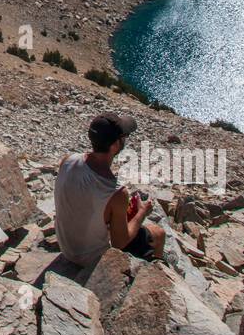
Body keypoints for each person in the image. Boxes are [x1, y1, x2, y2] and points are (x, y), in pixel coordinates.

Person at [54, 113, 164, 267]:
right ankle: (154, 271)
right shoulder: (115, 192)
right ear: (115, 145)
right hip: (92, 260)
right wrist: (141, 213)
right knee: (158, 233)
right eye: (123, 136)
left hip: (66, 249)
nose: (125, 139)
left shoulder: (68, 160)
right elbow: (119, 243)